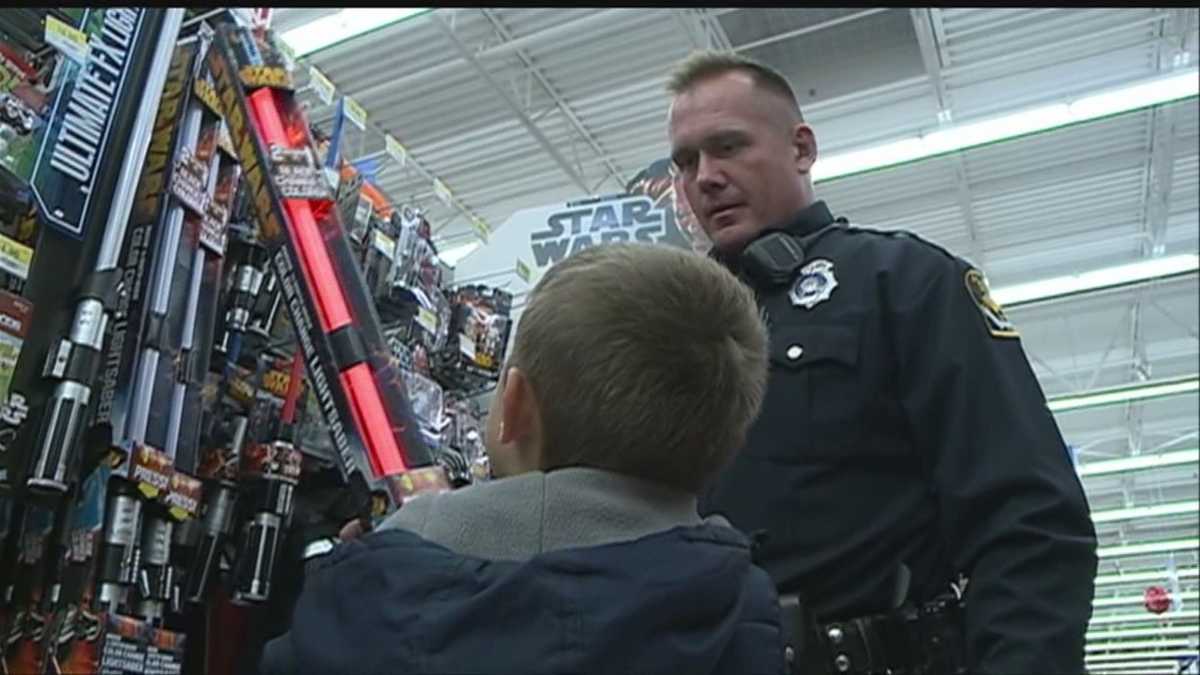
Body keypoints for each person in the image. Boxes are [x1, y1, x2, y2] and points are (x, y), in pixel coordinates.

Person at [665, 51, 1099, 675]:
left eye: (728, 146)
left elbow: (1029, 521)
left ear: (801, 148)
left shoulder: (905, 283)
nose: (705, 177)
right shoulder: (669, 332)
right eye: (686, 161)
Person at [258, 243, 784, 675]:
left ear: (514, 406)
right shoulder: (740, 614)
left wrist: (358, 569)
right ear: (731, 439)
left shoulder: (367, 599)